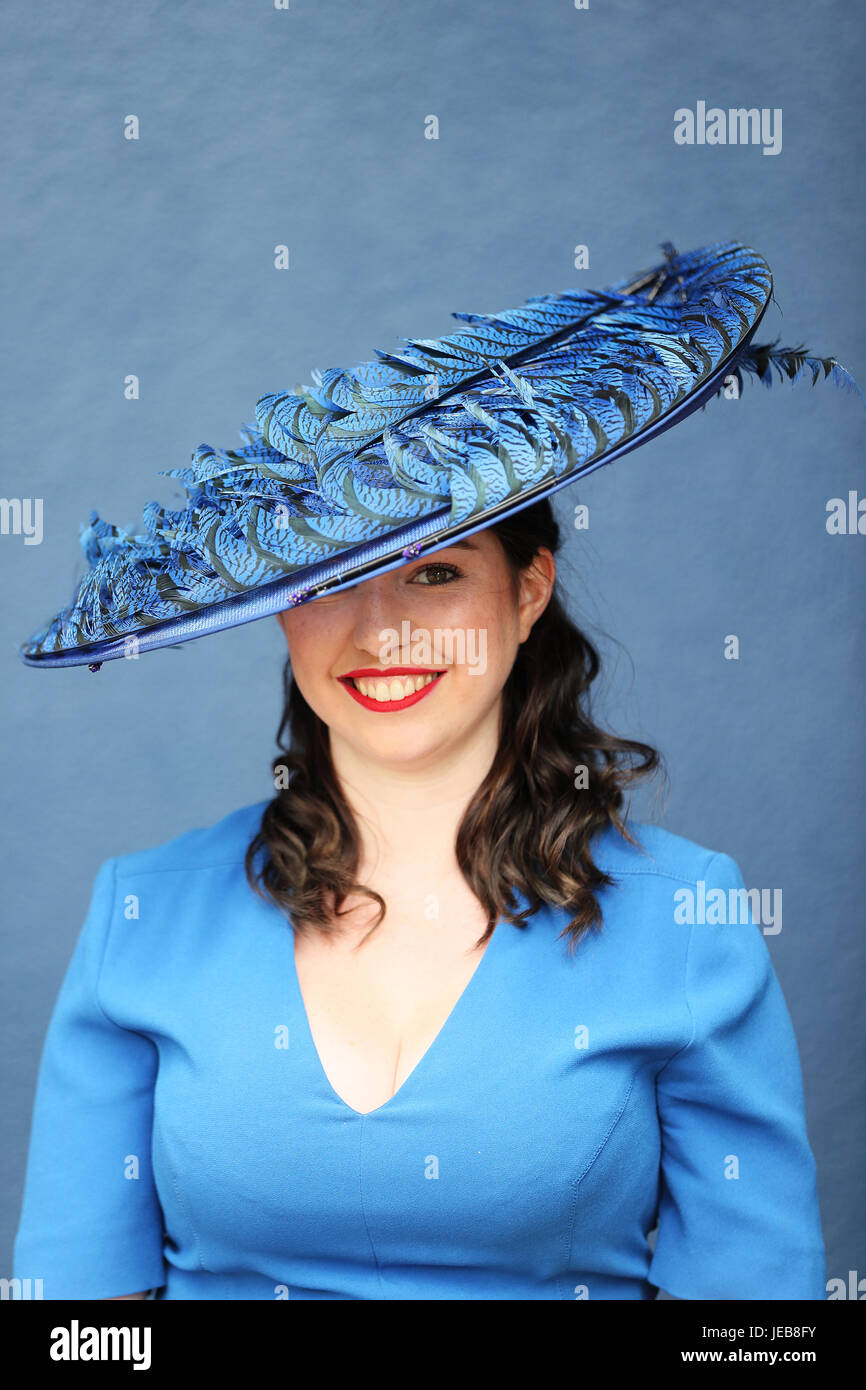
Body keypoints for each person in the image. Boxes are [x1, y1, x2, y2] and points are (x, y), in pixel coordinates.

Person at [14, 241, 842, 1298]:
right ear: (280, 609)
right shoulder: (144, 914)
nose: (382, 631)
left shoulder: (685, 918)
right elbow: (74, 1329)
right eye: (334, 580)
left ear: (528, 591)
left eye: (436, 574)